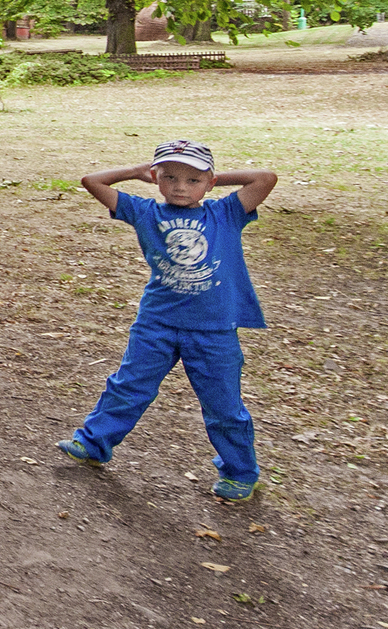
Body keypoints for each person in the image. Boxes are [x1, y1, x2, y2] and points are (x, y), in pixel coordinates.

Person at [55, 139, 278, 502]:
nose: (179, 187)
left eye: (192, 180)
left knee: (222, 404)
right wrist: (135, 171)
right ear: (155, 178)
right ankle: (94, 445)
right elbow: (91, 181)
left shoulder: (225, 214)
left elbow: (264, 178)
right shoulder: (145, 212)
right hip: (156, 323)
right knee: (128, 386)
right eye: (170, 177)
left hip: (213, 330)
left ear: (209, 183)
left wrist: (212, 180)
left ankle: (240, 472)